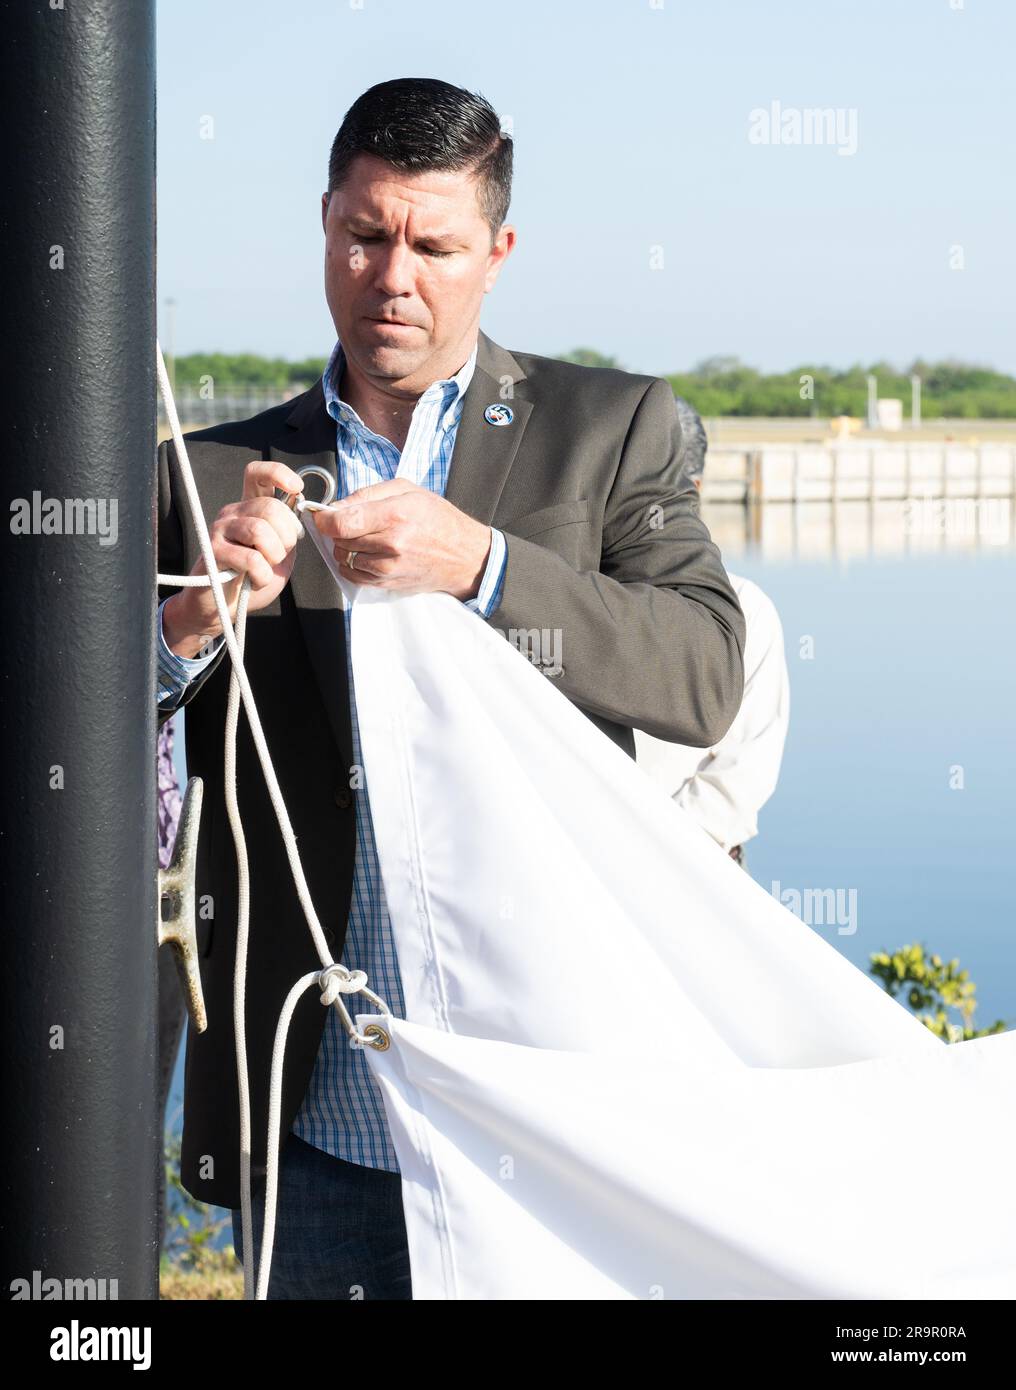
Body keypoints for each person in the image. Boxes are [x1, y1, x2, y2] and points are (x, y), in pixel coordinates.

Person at [155, 77, 745, 1300]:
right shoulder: (200, 471)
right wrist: (186, 627)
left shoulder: (612, 426)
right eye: (364, 235)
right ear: (323, 223)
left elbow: (702, 673)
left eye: (434, 244)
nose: (393, 276)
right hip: (314, 1122)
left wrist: (480, 565)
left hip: (558, 1110)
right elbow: (82, 753)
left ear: (497, 253)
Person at [634, 398, 789, 868]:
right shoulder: (564, 592)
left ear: (694, 491)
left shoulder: (746, 611)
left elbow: (736, 784)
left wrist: (637, 863)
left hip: (696, 877)